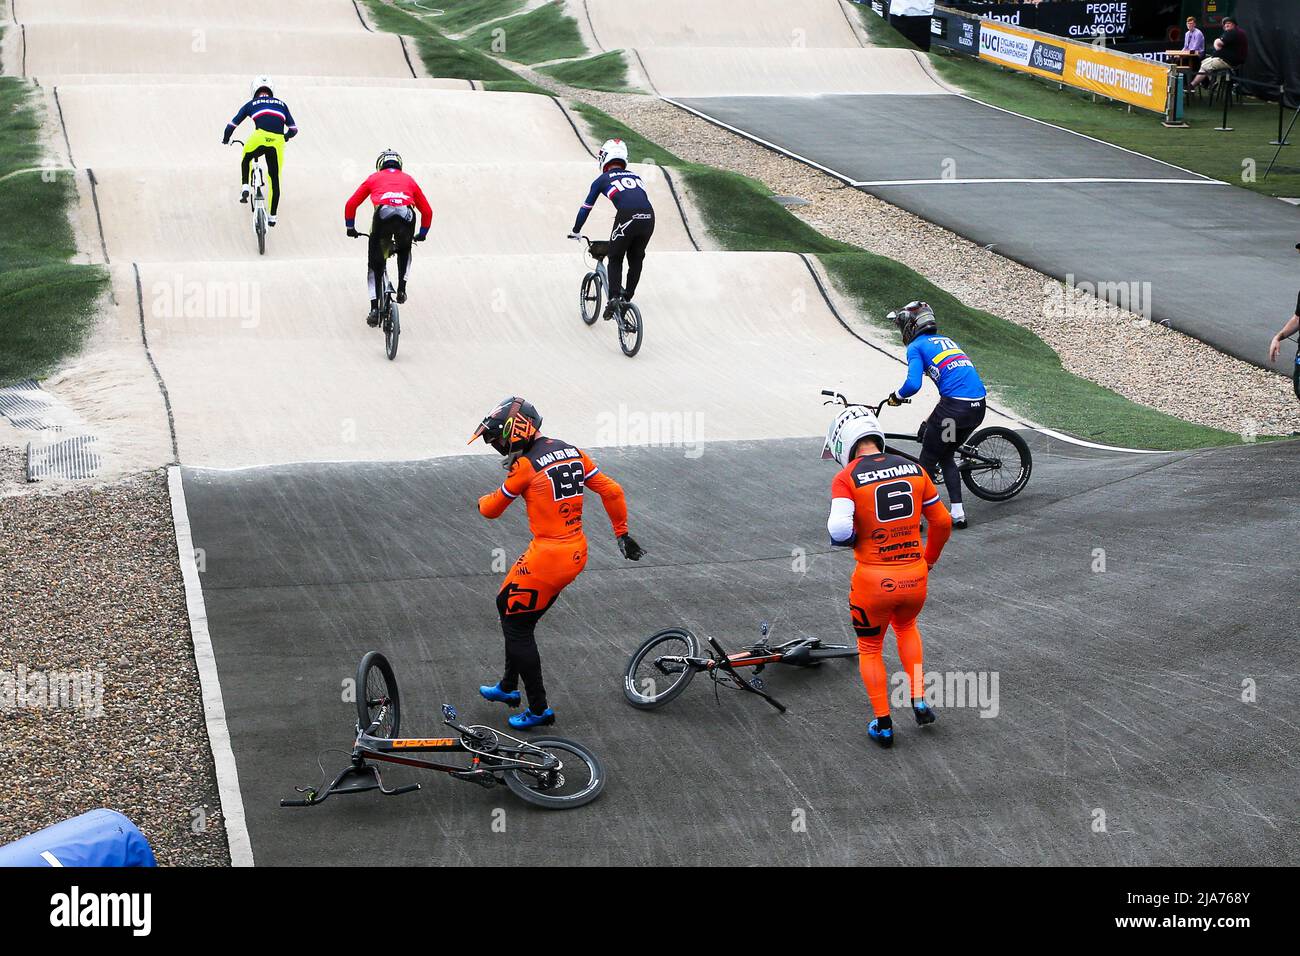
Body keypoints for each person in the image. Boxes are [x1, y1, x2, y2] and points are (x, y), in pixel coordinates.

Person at [471, 397, 646, 728]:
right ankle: (509, 686)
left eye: (498, 439)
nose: (498, 447)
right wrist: (622, 534)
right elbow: (612, 490)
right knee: (507, 606)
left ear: (516, 429)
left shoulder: (525, 466)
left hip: (549, 557)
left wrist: (481, 501)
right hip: (574, 551)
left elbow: (491, 509)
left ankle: (539, 710)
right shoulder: (571, 450)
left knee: (517, 627)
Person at [823, 404, 952, 748]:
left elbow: (837, 528)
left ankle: (883, 723)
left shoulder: (846, 476)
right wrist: (929, 561)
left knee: (869, 647)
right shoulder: (914, 468)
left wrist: (852, 538)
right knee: (907, 628)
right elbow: (942, 522)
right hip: (914, 577)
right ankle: (919, 700)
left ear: (843, 443)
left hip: (872, 581)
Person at [885, 301, 986, 529]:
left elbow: (912, 385)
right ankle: (958, 513)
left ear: (911, 327)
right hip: (976, 407)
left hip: (954, 410)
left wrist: (897, 397)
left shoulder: (916, 347)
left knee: (927, 460)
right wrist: (929, 422)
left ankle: (916, 517)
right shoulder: (947, 341)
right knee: (946, 453)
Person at [567, 139, 655, 319]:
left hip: (627, 217)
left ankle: (614, 298)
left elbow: (586, 208)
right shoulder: (637, 177)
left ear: (604, 158)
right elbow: (640, 200)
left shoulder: (602, 180)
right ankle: (627, 297)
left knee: (615, 257)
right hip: (649, 217)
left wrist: (576, 230)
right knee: (636, 257)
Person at [344, 150, 432, 327]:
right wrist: (422, 233)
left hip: (383, 215)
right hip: (407, 214)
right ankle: (401, 289)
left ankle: (375, 309)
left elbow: (351, 204)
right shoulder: (409, 180)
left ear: (380, 165)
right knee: (405, 248)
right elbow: (427, 211)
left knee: (374, 265)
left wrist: (350, 227)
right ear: (399, 164)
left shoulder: (373, 178)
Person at [221, 76, 298, 226]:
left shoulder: (251, 104)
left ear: (254, 90)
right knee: (274, 179)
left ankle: (245, 187)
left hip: (260, 137)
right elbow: (294, 129)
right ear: (271, 90)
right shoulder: (282, 104)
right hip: (277, 142)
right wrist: (284, 137)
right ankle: (273, 217)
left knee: (247, 157)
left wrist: (226, 138)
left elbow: (232, 124)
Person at [1191, 17, 1248, 90]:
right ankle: (1209, 84)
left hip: (1228, 61)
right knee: (1201, 63)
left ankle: (1192, 86)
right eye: (1225, 24)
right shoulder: (1236, 32)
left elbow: (1218, 45)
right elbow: (1220, 46)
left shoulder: (1233, 32)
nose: (1226, 25)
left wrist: (1216, 41)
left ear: (1234, 25)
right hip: (1228, 60)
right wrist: (1217, 43)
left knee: (1205, 66)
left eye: (1229, 23)